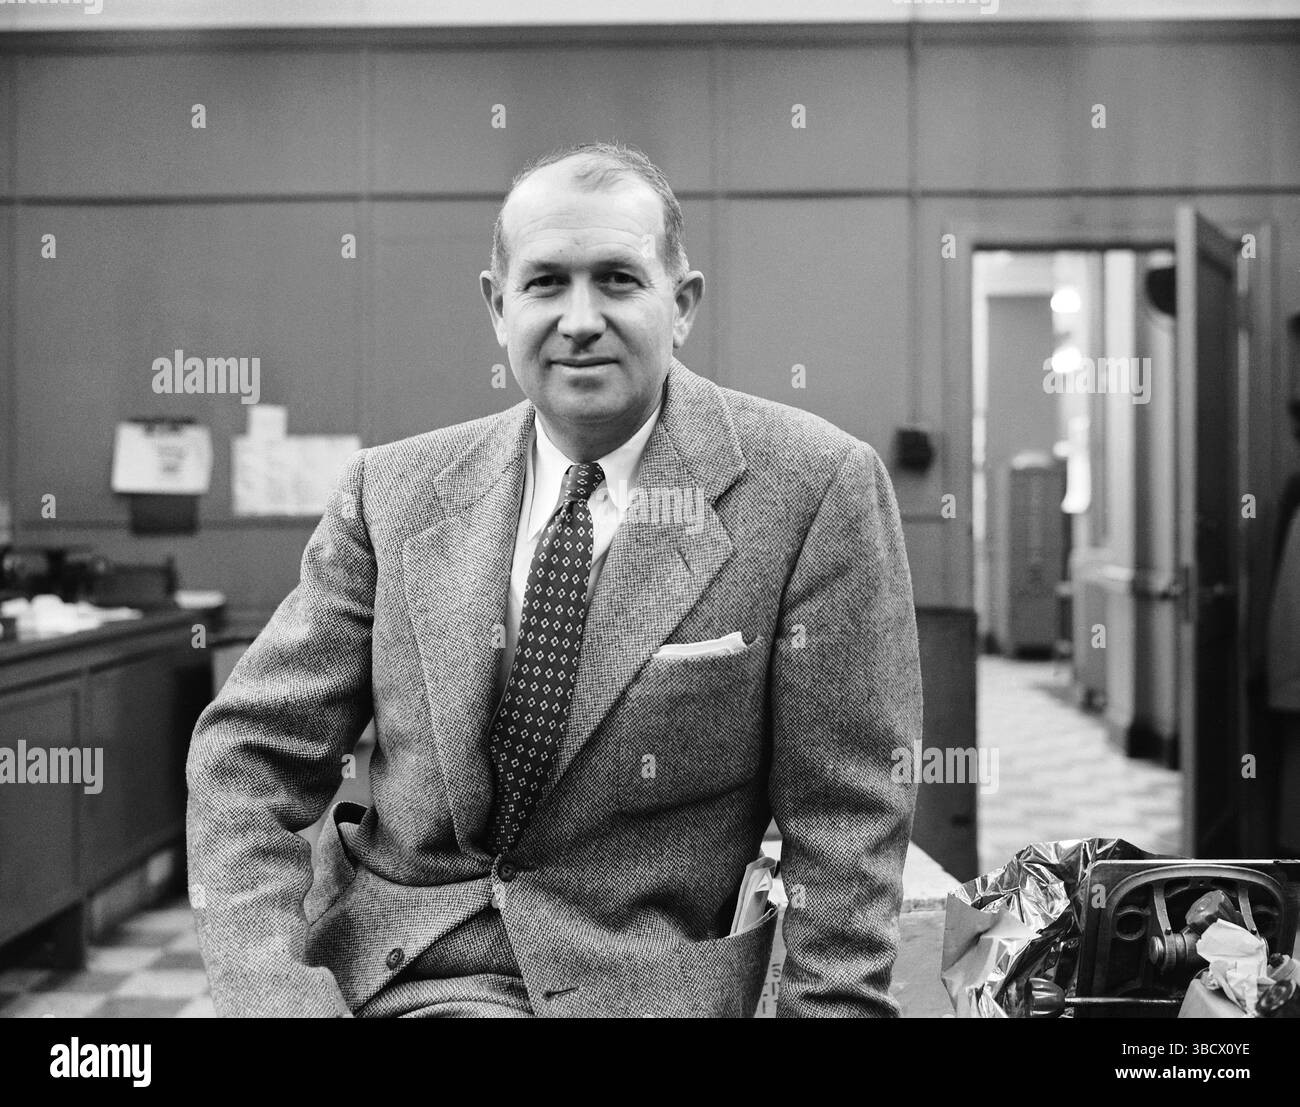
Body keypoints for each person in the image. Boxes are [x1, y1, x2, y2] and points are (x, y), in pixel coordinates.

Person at [185, 141, 923, 1018]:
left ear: (681, 305)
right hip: (397, 978)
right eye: (545, 283)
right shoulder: (391, 494)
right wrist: (272, 994)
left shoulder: (811, 488)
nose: (580, 318)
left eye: (617, 279)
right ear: (497, 307)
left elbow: (849, 824)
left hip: (641, 993)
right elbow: (246, 757)